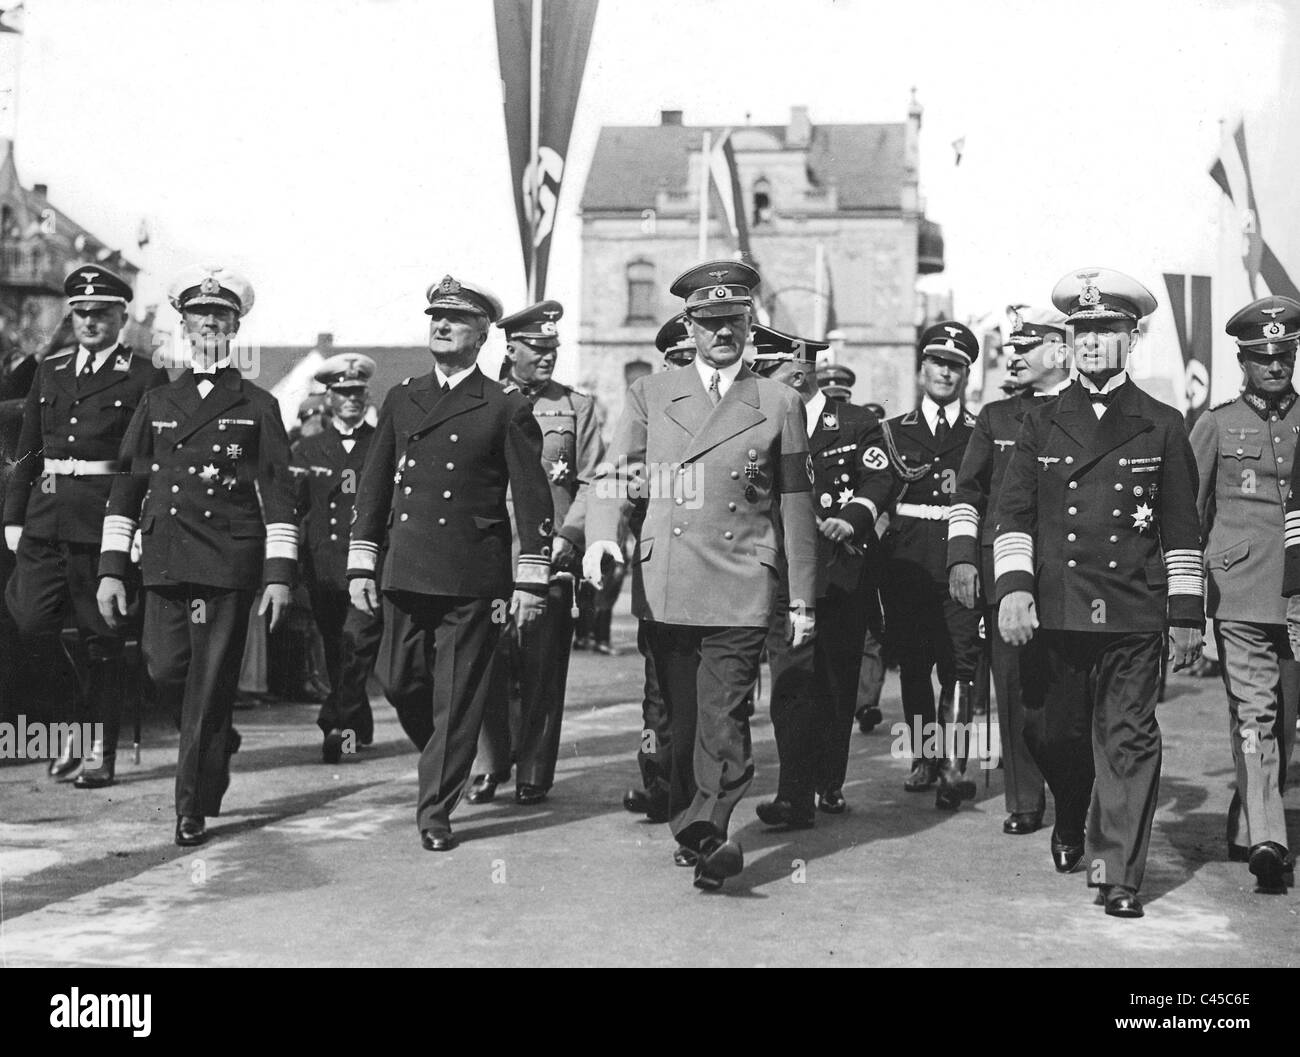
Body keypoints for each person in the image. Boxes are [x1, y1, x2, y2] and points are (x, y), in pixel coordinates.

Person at [583, 260, 818, 891]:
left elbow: (796, 503)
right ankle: (694, 825)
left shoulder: (779, 401)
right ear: (690, 326)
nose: (723, 334)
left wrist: (802, 598)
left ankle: (710, 831)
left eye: (734, 321)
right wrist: (602, 536)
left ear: (750, 323)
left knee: (725, 718)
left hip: (742, 578)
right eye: (710, 323)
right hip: (669, 582)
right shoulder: (651, 394)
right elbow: (614, 474)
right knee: (682, 725)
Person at [996, 267, 1204, 918]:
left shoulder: (1161, 424)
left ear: (1131, 337)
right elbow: (1013, 513)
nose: (1089, 342)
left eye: (1104, 330)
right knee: (1054, 736)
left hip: (1133, 608)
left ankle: (1118, 872)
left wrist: (1187, 615)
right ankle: (1068, 817)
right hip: (1058, 607)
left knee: (1128, 736)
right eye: (1081, 330)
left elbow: (1181, 529)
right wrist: (1014, 589)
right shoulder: (1039, 422)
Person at [347, 275, 553, 852]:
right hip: (407, 566)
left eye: (455, 319)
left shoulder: (504, 405)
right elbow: (373, 485)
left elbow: (532, 498)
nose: (440, 325)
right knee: (399, 682)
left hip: (471, 573)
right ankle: (449, 756)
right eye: (435, 316)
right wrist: (362, 563)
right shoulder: (401, 396)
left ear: (483, 335)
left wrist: (530, 579)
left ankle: (435, 808)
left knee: (458, 695)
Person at [97, 265, 297, 847]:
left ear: (236, 327)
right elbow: (127, 486)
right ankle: (217, 739)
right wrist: (112, 568)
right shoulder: (157, 400)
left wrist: (278, 574)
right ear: (184, 325)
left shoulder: (257, 404)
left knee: (208, 685)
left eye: (221, 316)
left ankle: (190, 807)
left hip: (227, 563)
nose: (210, 322)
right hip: (163, 559)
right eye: (199, 315)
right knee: (165, 670)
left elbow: (278, 492)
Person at [4, 265, 167, 787]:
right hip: (44, 520)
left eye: (100, 313)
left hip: (103, 524)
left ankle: (98, 747)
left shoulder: (145, 376)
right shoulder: (50, 370)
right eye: (80, 313)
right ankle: (73, 724)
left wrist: (140, 525)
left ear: (121, 316)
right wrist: (12, 515)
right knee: (30, 624)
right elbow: (29, 448)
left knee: (100, 639)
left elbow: (148, 461)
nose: (89, 321)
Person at [468, 299, 604, 805]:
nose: (547, 358)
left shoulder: (575, 407)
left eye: (553, 349)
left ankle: (533, 771)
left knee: (542, 668)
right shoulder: (484, 401)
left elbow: (594, 480)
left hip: (550, 554)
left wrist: (570, 536)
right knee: (485, 663)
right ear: (512, 348)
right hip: (487, 553)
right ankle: (488, 763)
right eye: (537, 349)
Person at [749, 324, 880, 826]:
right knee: (791, 680)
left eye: (773, 372)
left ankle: (829, 780)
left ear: (801, 372)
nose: (764, 380)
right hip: (783, 571)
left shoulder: (854, 422)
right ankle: (794, 791)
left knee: (837, 681)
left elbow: (881, 475)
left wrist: (853, 517)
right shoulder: (762, 419)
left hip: (841, 571)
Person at [947, 309, 1070, 836]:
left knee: (1068, 690)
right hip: (1005, 570)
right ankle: (1023, 798)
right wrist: (961, 558)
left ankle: (1072, 794)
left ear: (1059, 352)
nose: (1014, 356)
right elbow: (968, 493)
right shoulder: (996, 417)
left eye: (1027, 347)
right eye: (1013, 348)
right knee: (1015, 688)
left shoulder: (1088, 412)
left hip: (1070, 573)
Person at [1194, 296, 1300, 891]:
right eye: (1264, 357)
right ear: (1243, 359)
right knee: (1255, 716)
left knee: (1283, 726)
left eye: (1284, 355)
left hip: (1297, 597)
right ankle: (1269, 839)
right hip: (1238, 593)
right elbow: (1189, 510)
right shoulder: (1217, 423)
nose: (1276, 366)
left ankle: (1246, 820)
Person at [857, 321, 983, 809]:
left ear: (967, 375)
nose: (945, 373)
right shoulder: (891, 433)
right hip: (906, 563)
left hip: (960, 561)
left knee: (960, 661)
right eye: (937, 363)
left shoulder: (980, 434)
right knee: (914, 663)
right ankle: (924, 757)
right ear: (921, 369)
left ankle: (954, 766)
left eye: (956, 366)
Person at [622, 311, 697, 823]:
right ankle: (658, 780)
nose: (683, 371)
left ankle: (692, 785)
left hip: (716, 566)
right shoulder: (647, 407)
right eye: (675, 361)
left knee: (704, 686)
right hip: (660, 567)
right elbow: (621, 480)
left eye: (691, 360)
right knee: (658, 685)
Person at [291, 353, 383, 762]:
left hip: (366, 566)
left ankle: (337, 724)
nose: (351, 399)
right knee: (334, 647)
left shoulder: (382, 443)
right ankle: (358, 723)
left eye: (357, 392)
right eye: (343, 392)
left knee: (358, 643)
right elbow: (293, 507)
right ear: (328, 398)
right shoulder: (308, 448)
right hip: (322, 565)